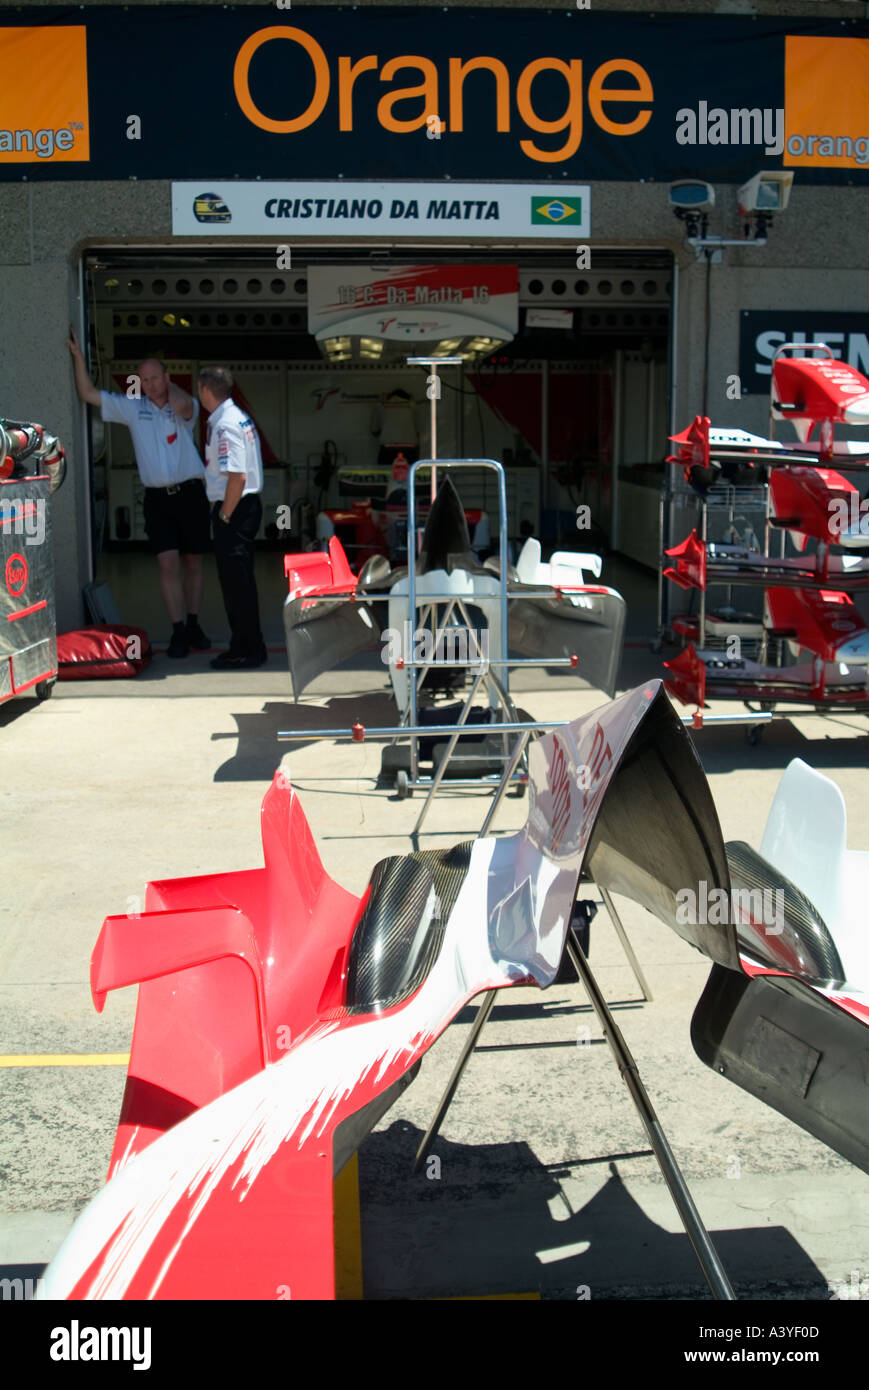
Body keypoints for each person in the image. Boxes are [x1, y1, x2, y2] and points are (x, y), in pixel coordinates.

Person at [67, 329, 211, 658]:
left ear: (166, 376)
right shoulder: (132, 408)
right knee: (167, 565)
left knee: (194, 562)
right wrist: (78, 358)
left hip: (190, 493)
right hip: (157, 499)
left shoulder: (183, 404)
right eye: (144, 380)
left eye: (154, 378)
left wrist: (167, 385)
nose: (149, 385)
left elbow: (182, 406)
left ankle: (193, 623)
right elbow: (87, 393)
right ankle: (177, 629)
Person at [196, 366, 267, 670]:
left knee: (237, 585)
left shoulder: (226, 425)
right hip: (242, 507)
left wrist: (224, 515)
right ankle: (247, 645)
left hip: (234, 509)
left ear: (205, 390)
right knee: (240, 583)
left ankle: (247, 649)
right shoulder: (236, 417)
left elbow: (236, 475)